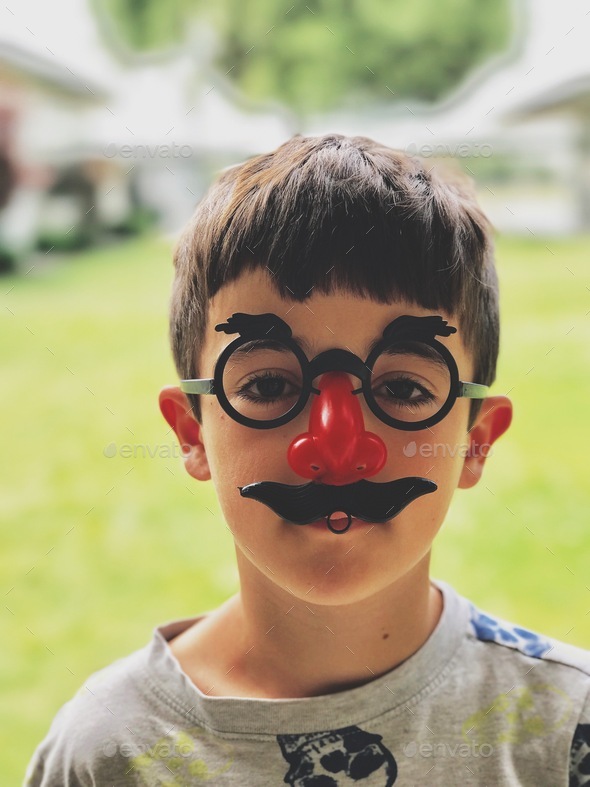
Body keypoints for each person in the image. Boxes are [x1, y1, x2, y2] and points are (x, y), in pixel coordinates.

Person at [25, 134, 590, 786]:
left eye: (403, 389)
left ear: (476, 440)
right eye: (270, 384)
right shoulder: (110, 752)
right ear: (192, 431)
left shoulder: (562, 730)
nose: (336, 449)